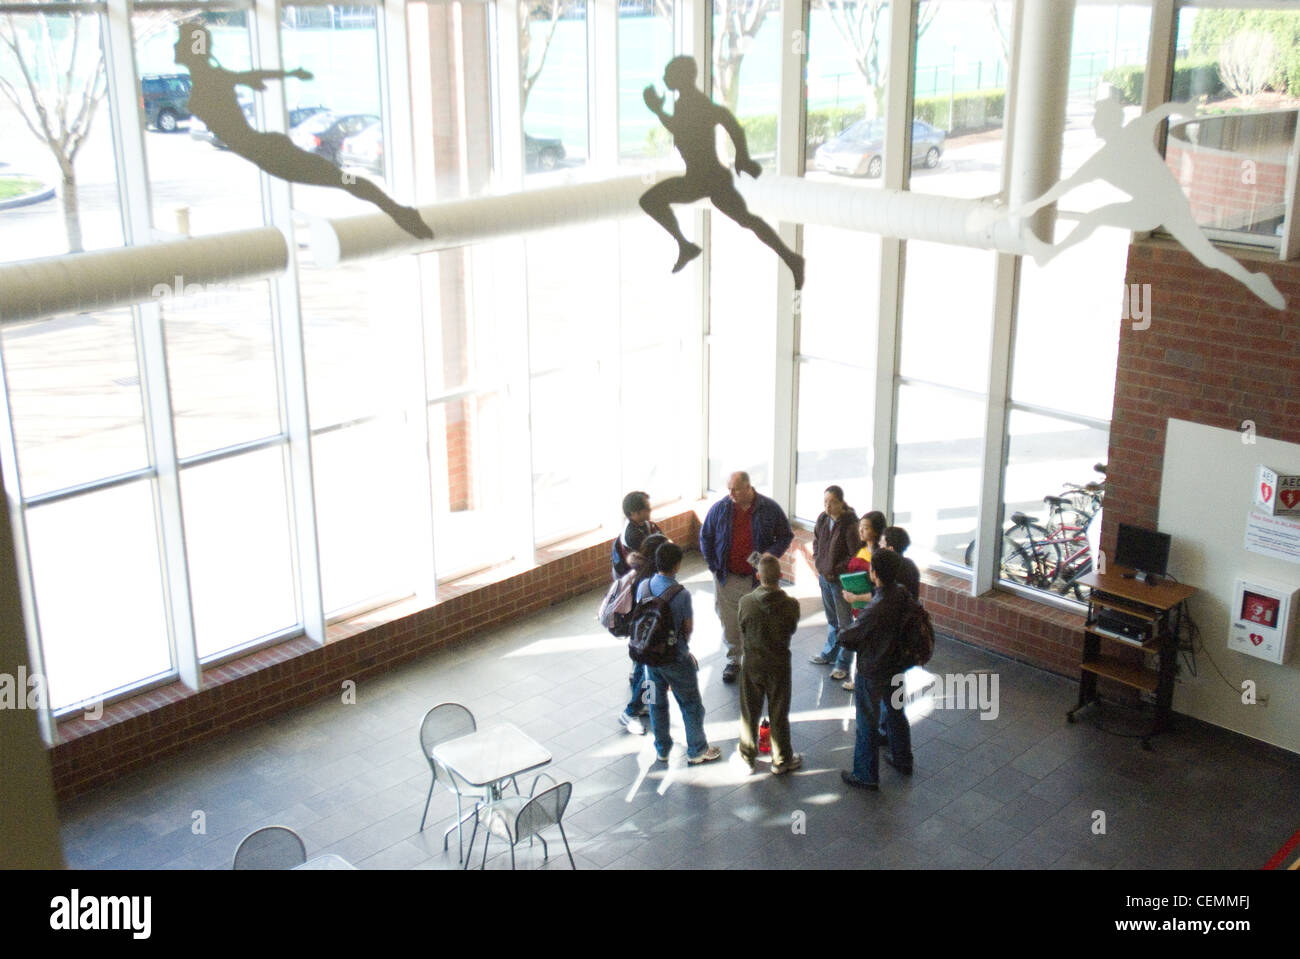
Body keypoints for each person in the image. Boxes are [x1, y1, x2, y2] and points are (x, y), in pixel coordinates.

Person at [173, 22, 433, 242]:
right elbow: (250, 75)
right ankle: (397, 210)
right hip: (267, 151)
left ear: (192, 49)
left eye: (179, 42)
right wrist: (290, 73)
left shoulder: (211, 79)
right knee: (341, 179)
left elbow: (249, 76)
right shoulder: (213, 77)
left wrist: (289, 74)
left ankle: (398, 211)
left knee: (341, 180)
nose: (174, 46)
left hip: (269, 153)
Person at [639, 56, 805, 290]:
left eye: (669, 73)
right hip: (699, 179)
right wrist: (658, 110)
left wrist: (742, 157)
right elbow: (683, 127)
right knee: (747, 220)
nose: (665, 78)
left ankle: (791, 259)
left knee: (747, 221)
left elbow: (725, 120)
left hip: (708, 180)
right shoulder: (684, 102)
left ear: (681, 77)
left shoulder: (694, 102)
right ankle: (686, 246)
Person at [699, 471, 795, 684]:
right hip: (726, 576)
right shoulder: (721, 508)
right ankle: (734, 659)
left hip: (757, 578)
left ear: (748, 487)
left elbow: (785, 535)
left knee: (758, 620)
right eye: (729, 489)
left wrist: (771, 554)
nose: (730, 494)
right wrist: (713, 565)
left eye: (735, 489)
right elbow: (706, 536)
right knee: (729, 621)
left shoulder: (769, 508)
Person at [638, 542, 722, 764]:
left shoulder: (644, 586)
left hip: (649, 659)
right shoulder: (680, 594)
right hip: (675, 659)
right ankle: (697, 750)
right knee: (691, 704)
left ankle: (662, 749)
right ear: (676, 565)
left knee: (655, 703)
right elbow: (687, 628)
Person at [837, 548, 914, 791]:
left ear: (873, 573)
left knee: (867, 722)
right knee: (896, 711)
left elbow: (849, 636)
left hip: (873, 670)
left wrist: (843, 632)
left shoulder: (875, 608)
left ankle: (865, 774)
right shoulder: (901, 593)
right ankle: (902, 758)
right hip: (897, 664)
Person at [737, 556, 802, 774]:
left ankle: (746, 758)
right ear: (781, 576)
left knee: (749, 712)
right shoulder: (791, 605)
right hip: (779, 664)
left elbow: (742, 628)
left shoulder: (746, 602)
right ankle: (781, 759)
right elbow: (791, 629)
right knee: (779, 711)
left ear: (758, 576)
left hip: (752, 663)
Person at [615, 533, 668, 735]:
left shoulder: (641, 570)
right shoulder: (650, 580)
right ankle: (630, 712)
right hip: (647, 634)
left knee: (641, 669)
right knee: (648, 673)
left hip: (638, 632)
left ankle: (640, 705)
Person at [827, 510, 887, 685]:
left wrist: (856, 596)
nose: (861, 531)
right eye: (860, 527)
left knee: (868, 645)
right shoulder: (861, 550)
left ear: (875, 531)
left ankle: (860, 679)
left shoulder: (880, 556)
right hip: (858, 603)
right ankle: (857, 677)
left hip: (871, 605)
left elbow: (879, 591)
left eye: (866, 528)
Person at [808, 487, 860, 681]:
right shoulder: (823, 519)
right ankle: (829, 654)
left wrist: (837, 568)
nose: (828, 507)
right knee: (832, 620)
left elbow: (854, 554)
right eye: (825, 502)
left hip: (839, 581)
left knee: (845, 623)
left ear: (841, 502)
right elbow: (816, 541)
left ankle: (843, 664)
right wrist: (818, 560)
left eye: (832, 502)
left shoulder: (850, 525)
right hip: (824, 577)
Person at [612, 491, 662, 579]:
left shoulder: (647, 524)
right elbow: (650, 561)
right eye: (646, 508)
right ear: (633, 513)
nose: (650, 510)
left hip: (641, 568)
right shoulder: (632, 535)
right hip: (629, 576)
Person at [882, 526, 920, 600]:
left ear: (890, 549)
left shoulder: (889, 568)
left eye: (882, 544)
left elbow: (882, 595)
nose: (879, 545)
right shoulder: (910, 564)